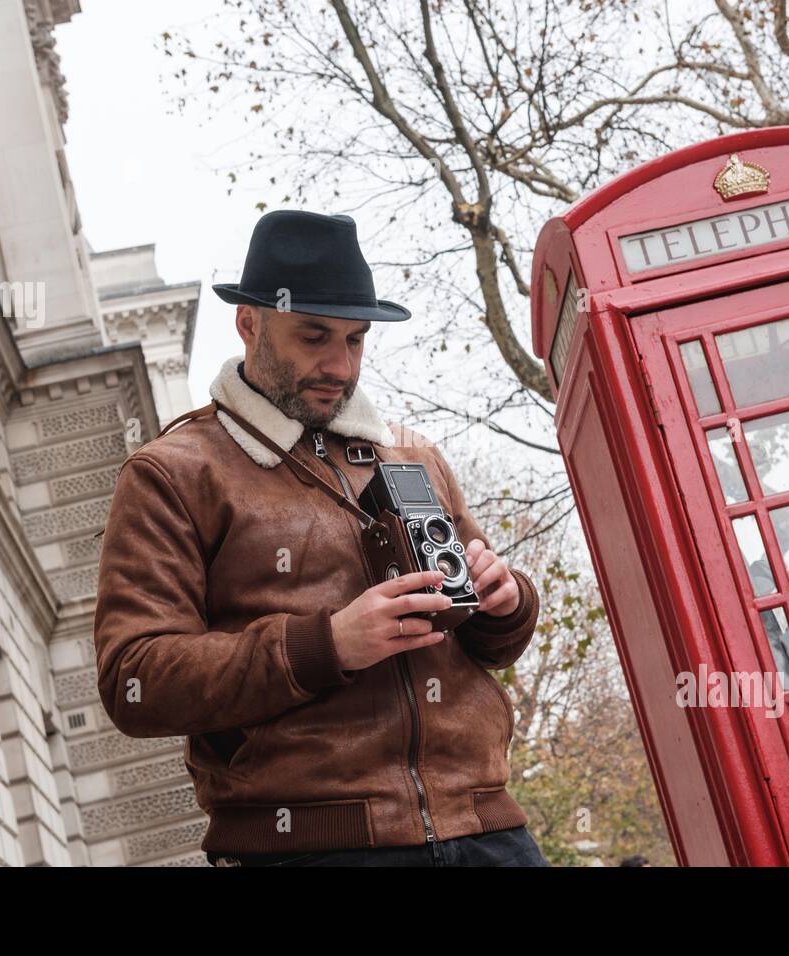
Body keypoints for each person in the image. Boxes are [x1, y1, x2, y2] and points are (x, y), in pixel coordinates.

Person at [94, 210, 548, 867]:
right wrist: (327, 645)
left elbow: (488, 640)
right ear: (249, 323)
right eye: (314, 337)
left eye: (356, 340)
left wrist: (507, 602)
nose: (340, 364)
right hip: (309, 846)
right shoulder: (174, 472)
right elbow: (135, 678)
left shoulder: (412, 455)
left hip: (488, 832)